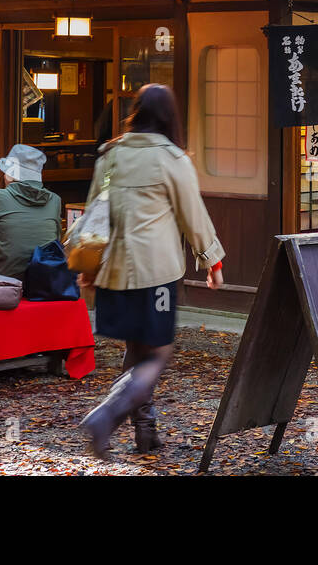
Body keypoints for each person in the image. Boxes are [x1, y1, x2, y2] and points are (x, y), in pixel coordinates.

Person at [79, 83, 224, 457]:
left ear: (137, 111)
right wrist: (212, 260)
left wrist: (89, 266)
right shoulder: (171, 158)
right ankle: (106, 415)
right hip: (155, 272)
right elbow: (194, 215)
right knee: (157, 354)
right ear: (169, 115)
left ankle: (146, 433)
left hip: (113, 269)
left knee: (136, 351)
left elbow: (95, 213)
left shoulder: (110, 155)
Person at [0, 144, 63, 280]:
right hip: (45, 280)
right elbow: (56, 240)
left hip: (6, 280)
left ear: (11, 174)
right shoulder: (55, 200)